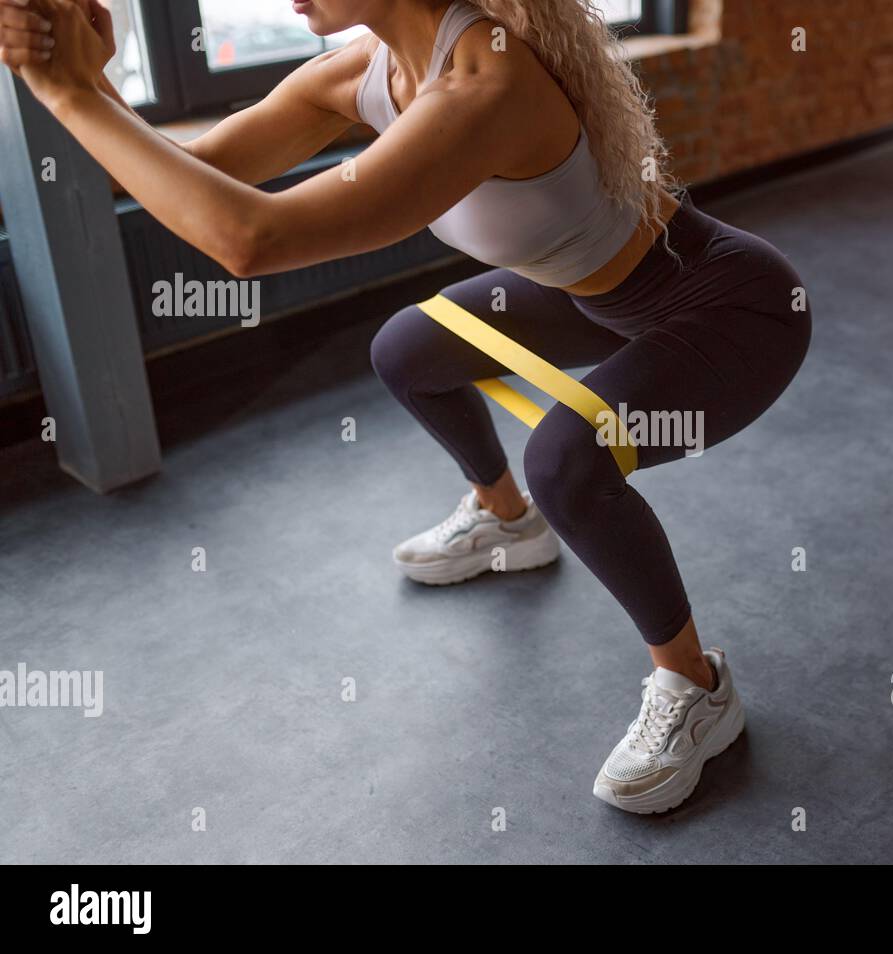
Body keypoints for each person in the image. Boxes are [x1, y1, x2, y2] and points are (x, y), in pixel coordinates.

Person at [1, 0, 812, 813]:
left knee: (569, 459)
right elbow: (199, 171)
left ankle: (695, 686)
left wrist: (69, 91)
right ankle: (507, 519)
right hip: (591, 296)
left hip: (727, 304)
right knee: (408, 350)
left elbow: (252, 239)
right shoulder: (363, 71)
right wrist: (91, 84)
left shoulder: (484, 85)